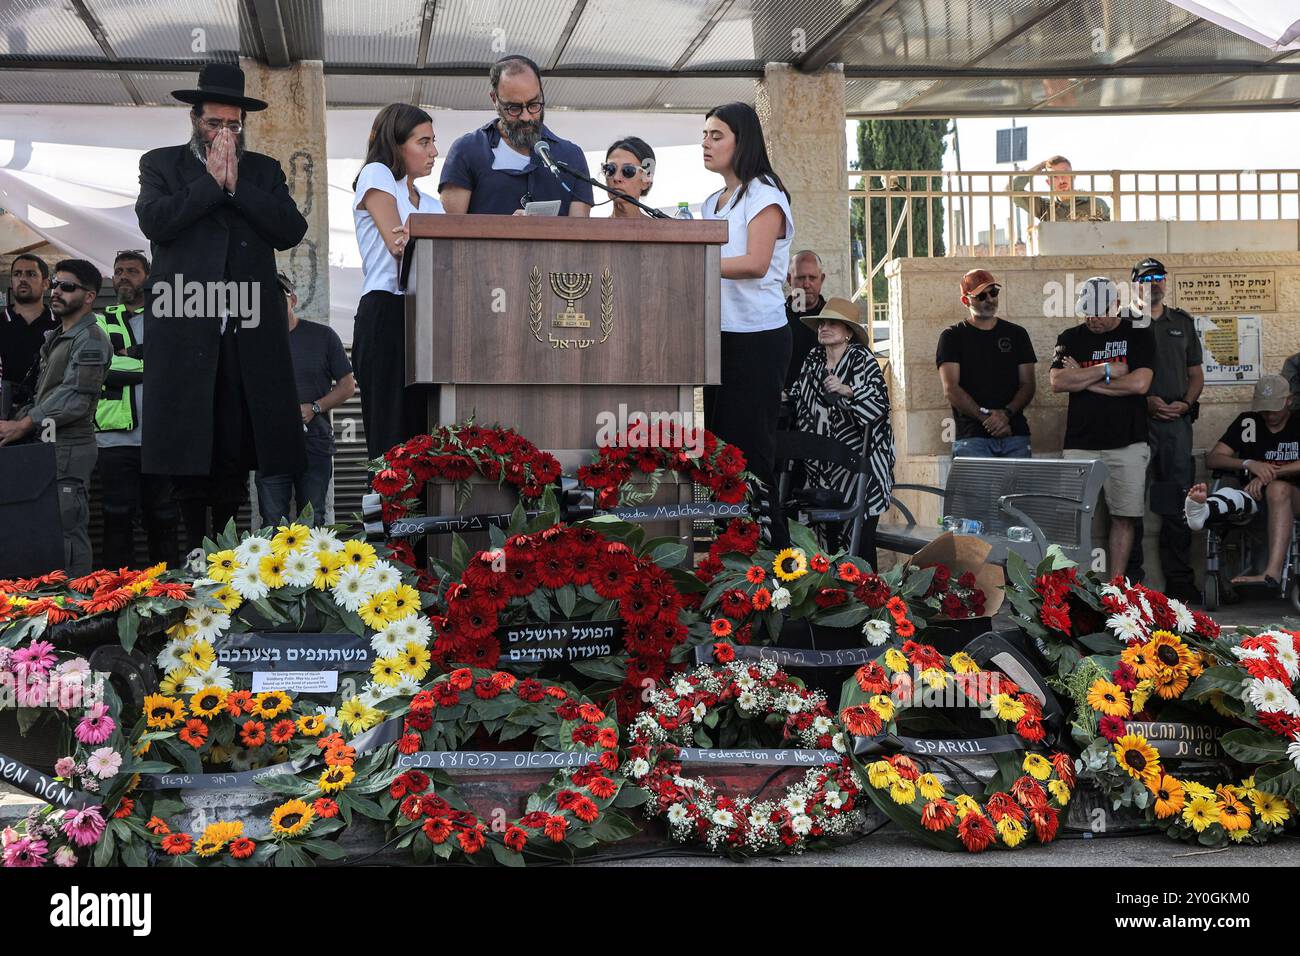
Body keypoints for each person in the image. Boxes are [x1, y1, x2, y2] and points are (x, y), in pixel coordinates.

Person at [135, 62, 309, 556]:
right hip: (185, 324)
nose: (225, 134)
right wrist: (209, 185)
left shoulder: (263, 171)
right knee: (189, 443)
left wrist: (235, 187)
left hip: (246, 328)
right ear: (194, 119)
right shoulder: (162, 164)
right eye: (215, 124)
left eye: (234, 125)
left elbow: (288, 229)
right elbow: (156, 222)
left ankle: (233, 551)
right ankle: (192, 551)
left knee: (236, 446)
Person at [701, 101, 794, 546]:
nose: (706, 143)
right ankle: (726, 557)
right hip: (716, 339)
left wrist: (695, 261)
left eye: (717, 135)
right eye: (705, 135)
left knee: (749, 454)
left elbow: (756, 263)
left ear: (744, 141)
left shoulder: (765, 193)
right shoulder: (710, 201)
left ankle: (774, 568)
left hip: (756, 339)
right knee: (717, 455)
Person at [0, 260, 110, 575]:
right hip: (48, 446)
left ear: (89, 297)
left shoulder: (90, 338)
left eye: (68, 287)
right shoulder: (59, 336)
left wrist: (23, 424)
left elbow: (75, 398)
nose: (57, 292)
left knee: (67, 531)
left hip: (69, 448)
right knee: (45, 532)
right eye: (56, 285)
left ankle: (77, 610)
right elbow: (46, 393)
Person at [351, 102, 442, 460]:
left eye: (434, 141)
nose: (434, 151)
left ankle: (424, 514)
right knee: (391, 433)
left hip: (427, 315)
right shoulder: (376, 174)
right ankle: (391, 515)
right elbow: (397, 244)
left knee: (424, 428)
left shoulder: (432, 204)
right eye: (424, 142)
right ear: (396, 143)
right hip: (387, 309)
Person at [1050, 276, 1154, 580]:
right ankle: (1074, 585)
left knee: (1124, 516)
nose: (1092, 318)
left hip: (1128, 442)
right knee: (1074, 518)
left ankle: (1117, 587)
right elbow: (1057, 382)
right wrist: (1106, 371)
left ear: (1117, 305)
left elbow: (1139, 384)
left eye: (1099, 311)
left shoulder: (1139, 332)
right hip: (1080, 442)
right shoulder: (1071, 336)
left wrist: (1083, 380)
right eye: (1087, 311)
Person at [1120, 256, 1204, 601]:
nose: (1153, 283)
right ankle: (1133, 583)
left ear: (1165, 282)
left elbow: (1196, 372)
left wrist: (1185, 402)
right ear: (1134, 283)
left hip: (1176, 424)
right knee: (1131, 502)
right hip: (1137, 422)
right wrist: (1147, 401)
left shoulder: (1181, 322)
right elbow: (1117, 370)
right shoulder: (1124, 322)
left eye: (1159, 277)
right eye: (1145, 278)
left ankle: (1180, 581)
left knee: (1175, 501)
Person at [791, 298, 894, 568]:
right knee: (823, 546)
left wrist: (848, 390)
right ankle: (829, 601)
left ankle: (864, 602)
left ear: (848, 331)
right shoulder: (813, 358)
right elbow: (797, 396)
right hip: (822, 470)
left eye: (833, 323)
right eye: (822, 323)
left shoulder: (862, 359)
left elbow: (880, 405)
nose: (824, 327)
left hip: (861, 468)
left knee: (858, 548)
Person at [94, 250, 180, 570]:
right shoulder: (101, 320)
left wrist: (131, 354)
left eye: (132, 270)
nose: (124, 276)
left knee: (164, 519)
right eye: (119, 271)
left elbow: (178, 363)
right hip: (115, 439)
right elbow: (104, 368)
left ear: (148, 277)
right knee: (116, 519)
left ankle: (167, 592)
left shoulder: (167, 317)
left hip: (160, 438)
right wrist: (150, 361)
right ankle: (118, 597)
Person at [256, 274, 356, 527]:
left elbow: (347, 387)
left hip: (314, 444)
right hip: (270, 445)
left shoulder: (323, 337)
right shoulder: (253, 341)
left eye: (278, 298)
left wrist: (315, 407)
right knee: (272, 525)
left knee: (312, 522)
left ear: (293, 300)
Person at [439, 55, 593, 217]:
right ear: (494, 99)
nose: (526, 117)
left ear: (541, 92)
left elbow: (579, 231)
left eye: (534, 105)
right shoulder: (467, 150)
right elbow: (451, 231)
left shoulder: (571, 156)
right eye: (514, 108)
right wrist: (508, 229)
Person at [1201, 375, 1300, 588]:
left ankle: (1271, 572)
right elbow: (1213, 458)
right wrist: (1249, 464)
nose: (1269, 414)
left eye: (1274, 408)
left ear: (1289, 400)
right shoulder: (1249, 422)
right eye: (1264, 408)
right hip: (1252, 499)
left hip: (1294, 497)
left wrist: (1269, 474)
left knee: (1278, 488)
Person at [936, 269, 1036, 458]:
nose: (990, 299)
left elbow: (1028, 384)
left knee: (1020, 489)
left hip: (1015, 435)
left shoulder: (1017, 334)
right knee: (975, 489)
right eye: (981, 295)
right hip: (972, 438)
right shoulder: (952, 337)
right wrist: (988, 420)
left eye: (993, 292)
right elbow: (951, 388)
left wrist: (1005, 415)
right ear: (966, 301)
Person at [1, 254, 57, 418]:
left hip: (49, 416)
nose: (23, 279)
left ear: (46, 283)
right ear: (11, 281)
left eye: (31, 274)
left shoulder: (61, 324)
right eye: (17, 274)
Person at [1013, 155, 1110, 223]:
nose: (1061, 180)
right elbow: (1012, 189)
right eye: (1054, 176)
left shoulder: (1096, 203)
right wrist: (1040, 166)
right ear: (1049, 182)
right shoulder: (1045, 207)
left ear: (1074, 176)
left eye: (1065, 173)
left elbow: (1111, 236)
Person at [785, 251, 826, 393]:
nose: (807, 284)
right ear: (789, 279)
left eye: (813, 278)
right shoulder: (775, 318)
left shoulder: (834, 320)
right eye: (801, 278)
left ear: (822, 279)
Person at [602, 137, 655, 218]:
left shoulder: (659, 229)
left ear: (646, 182)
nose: (616, 178)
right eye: (610, 169)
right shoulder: (594, 229)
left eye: (628, 171)